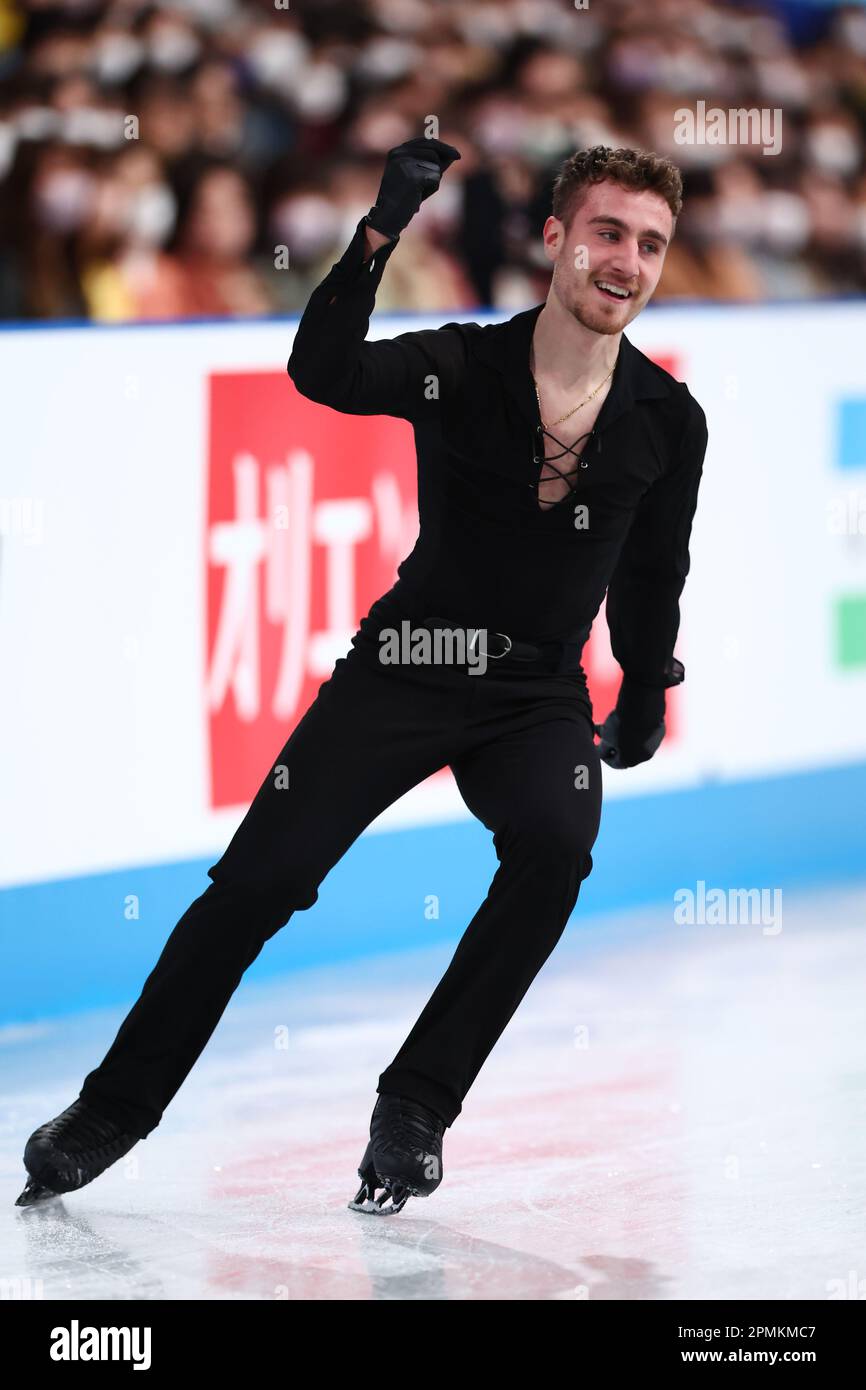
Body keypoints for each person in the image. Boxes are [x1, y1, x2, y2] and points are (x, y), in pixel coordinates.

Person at [16, 139, 708, 1217]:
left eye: (649, 244)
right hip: (408, 664)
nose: (625, 261)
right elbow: (324, 373)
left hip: (532, 693)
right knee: (257, 882)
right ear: (555, 238)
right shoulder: (464, 365)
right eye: (607, 233)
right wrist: (378, 233)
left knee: (557, 845)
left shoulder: (667, 421)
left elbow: (651, 576)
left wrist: (644, 700)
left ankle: (416, 1105)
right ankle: (113, 1109)